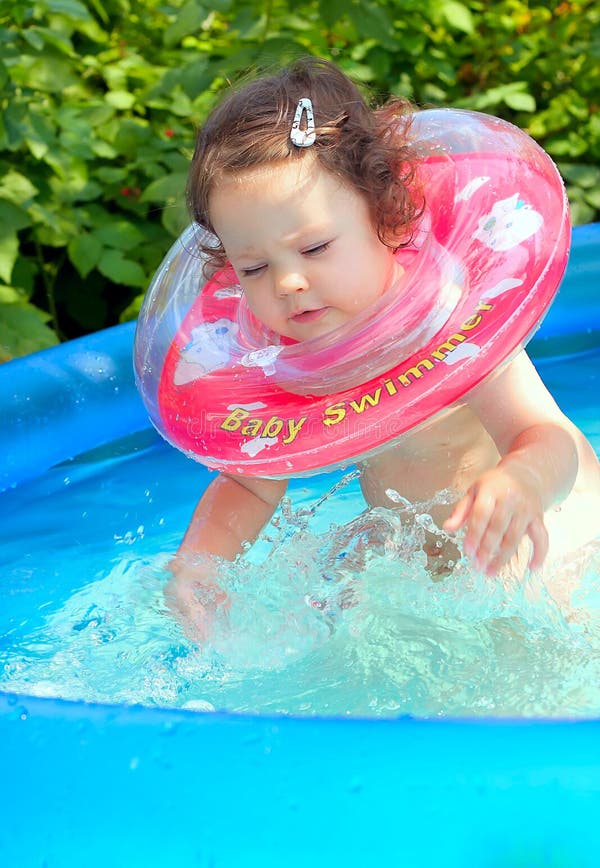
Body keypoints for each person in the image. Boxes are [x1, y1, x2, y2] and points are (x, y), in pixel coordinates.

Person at [167, 56, 600, 637]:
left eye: (315, 248)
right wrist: (201, 568)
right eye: (255, 267)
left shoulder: (451, 319)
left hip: (548, 530)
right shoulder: (291, 358)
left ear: (389, 217)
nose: (287, 283)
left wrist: (520, 480)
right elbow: (249, 479)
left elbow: (548, 438)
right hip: (426, 553)